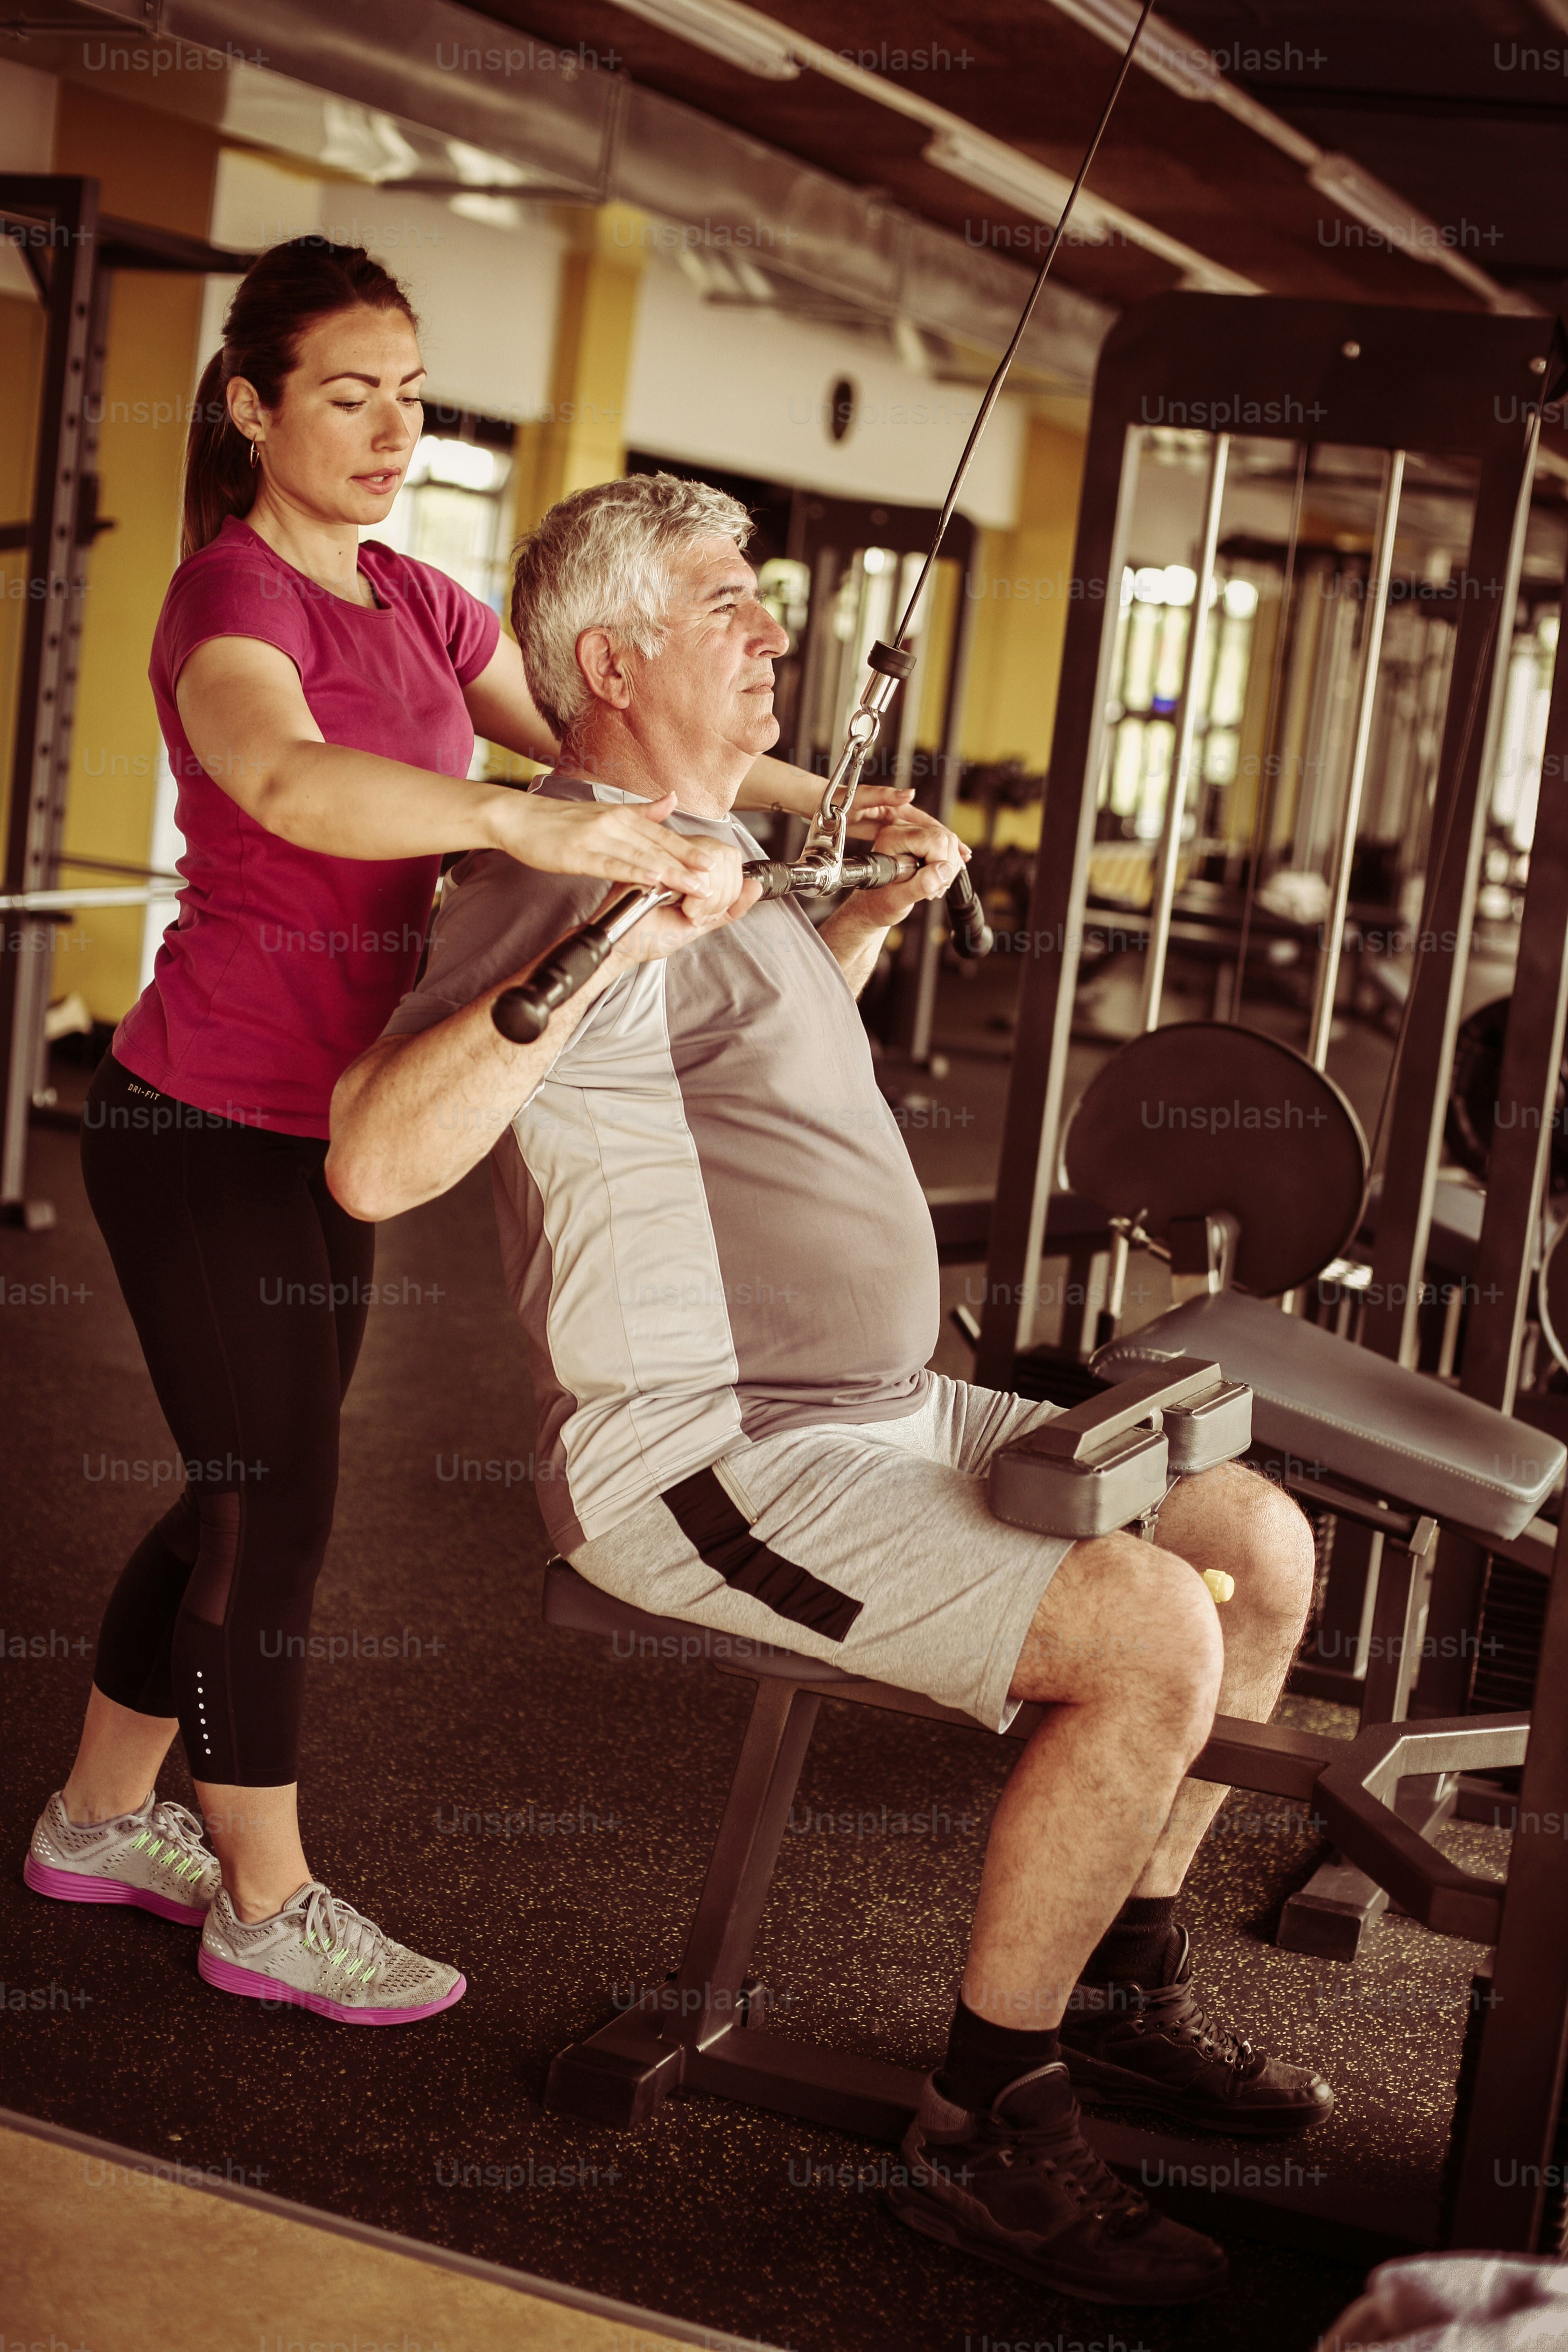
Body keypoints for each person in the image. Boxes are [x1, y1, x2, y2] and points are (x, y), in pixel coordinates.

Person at [327, 467, 1330, 2298]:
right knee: (1146, 1634)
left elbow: (729, 1093)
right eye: (727, 600)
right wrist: (606, 933)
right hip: (717, 1461)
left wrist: (852, 926)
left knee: (1253, 1545)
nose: (772, 628)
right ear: (611, 660)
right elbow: (378, 1162)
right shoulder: (551, 869)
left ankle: (1119, 1989)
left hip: (892, 1406)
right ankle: (988, 2126)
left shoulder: (721, 855)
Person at [24, 240, 877, 2027]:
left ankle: (97, 1818)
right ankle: (266, 1904)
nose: (391, 430)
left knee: (234, 1486)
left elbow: (604, 729)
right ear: (251, 407)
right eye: (348, 395)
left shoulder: (419, 600)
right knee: (276, 1503)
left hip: (331, 1131)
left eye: (411, 398)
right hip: (199, 1123)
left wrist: (835, 804)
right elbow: (284, 777)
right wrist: (525, 825)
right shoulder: (231, 597)